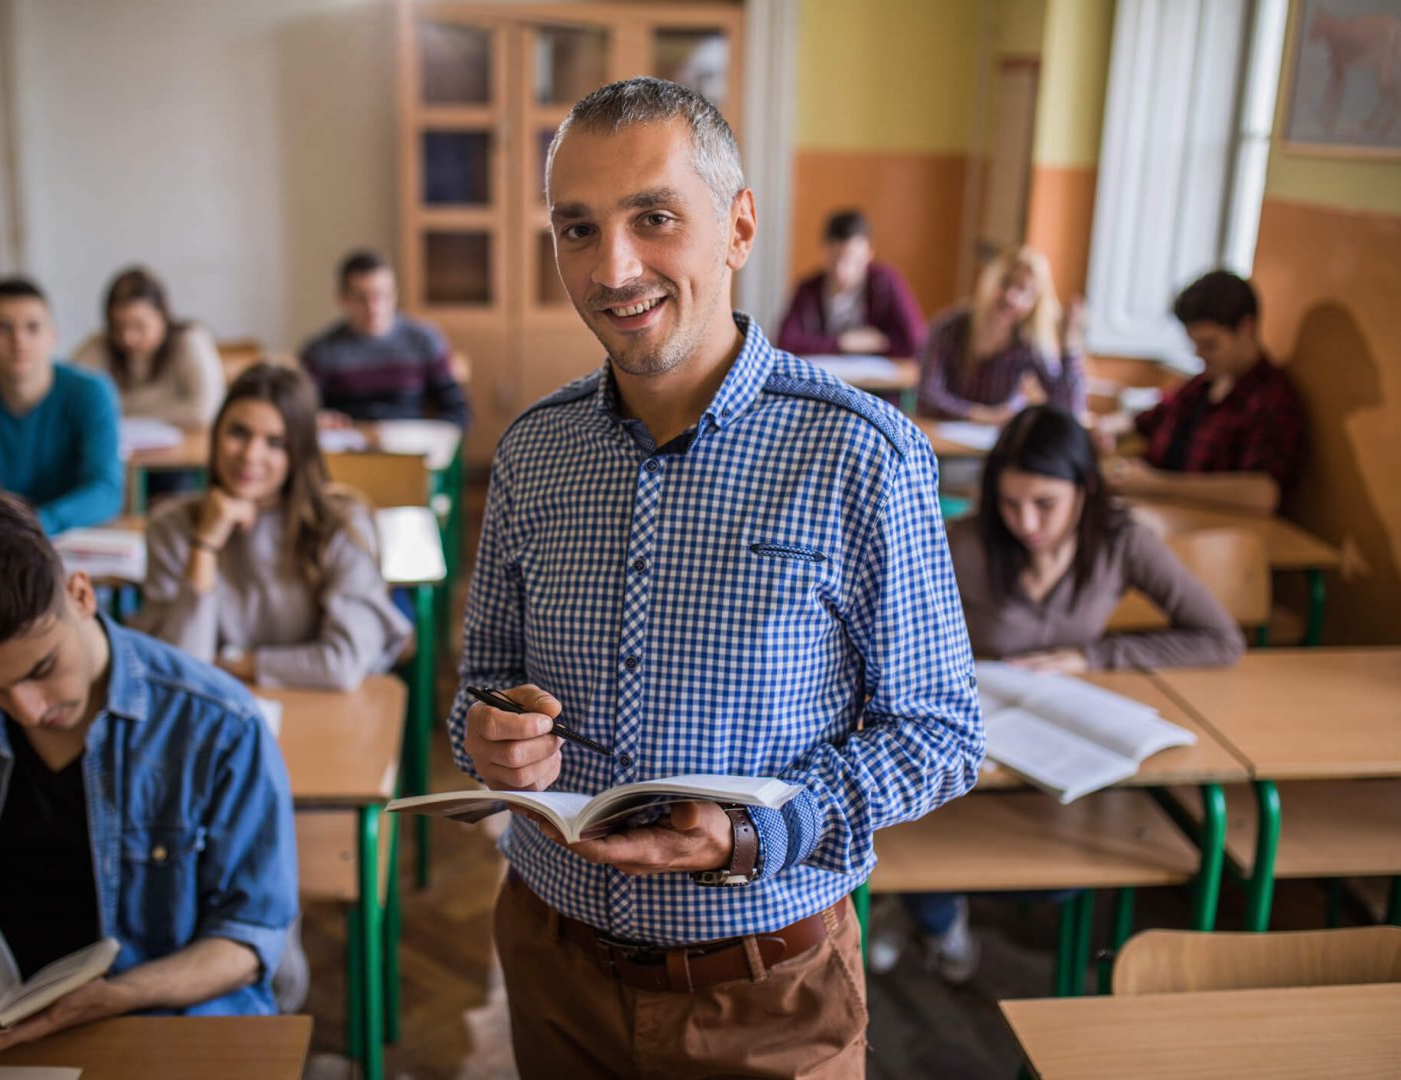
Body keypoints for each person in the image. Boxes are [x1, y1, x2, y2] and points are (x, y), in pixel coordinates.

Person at [451, 77, 982, 1076]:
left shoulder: (864, 455)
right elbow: (478, 686)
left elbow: (943, 738)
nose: (613, 268)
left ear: (738, 227)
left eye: (653, 218)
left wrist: (758, 831)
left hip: (768, 995)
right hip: (551, 967)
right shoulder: (533, 451)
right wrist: (488, 737)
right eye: (576, 229)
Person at [0, 493, 298, 1049]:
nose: (30, 710)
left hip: (158, 1021)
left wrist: (124, 994)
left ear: (80, 594)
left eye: (43, 669)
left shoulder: (218, 724)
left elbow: (250, 936)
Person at [870, 405, 1244, 983]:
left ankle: (937, 908)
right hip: (974, 733)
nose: (1026, 521)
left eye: (1045, 504)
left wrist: (1096, 656)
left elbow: (1219, 639)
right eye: (1009, 503)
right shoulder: (961, 543)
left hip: (1062, 739)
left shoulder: (1121, 541)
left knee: (1067, 869)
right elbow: (890, 640)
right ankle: (935, 916)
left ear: (1085, 489)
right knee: (927, 834)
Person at [133, 363, 410, 689]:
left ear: (299, 452)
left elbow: (342, 664)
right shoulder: (171, 526)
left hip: (320, 711)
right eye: (238, 433)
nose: (250, 455)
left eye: (275, 442)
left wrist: (231, 661)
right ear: (216, 433)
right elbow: (181, 668)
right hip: (216, 713)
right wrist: (205, 544)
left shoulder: (341, 525)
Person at [1103, 270, 1306, 514]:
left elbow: (1263, 493)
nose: (1199, 354)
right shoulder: (1202, 385)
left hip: (1212, 534)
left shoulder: (1270, 400)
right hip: (1159, 514)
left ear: (1246, 328)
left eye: (1210, 345)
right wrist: (1108, 428)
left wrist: (1158, 484)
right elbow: (1147, 418)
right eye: (1195, 345)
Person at [0, 277, 124, 535]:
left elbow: (106, 491)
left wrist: (39, 522)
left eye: (32, 327)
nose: (19, 341)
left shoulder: (91, 393)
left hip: (69, 536)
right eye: (3, 328)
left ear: (53, 336)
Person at [296, 250, 470, 428]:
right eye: (362, 298)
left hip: (410, 444)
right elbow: (299, 411)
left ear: (394, 294)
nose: (373, 308)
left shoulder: (423, 340)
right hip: (345, 446)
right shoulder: (322, 350)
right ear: (343, 298)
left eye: (381, 295)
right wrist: (318, 419)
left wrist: (430, 437)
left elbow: (457, 411)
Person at [917, 246, 1086, 423]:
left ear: (1034, 304)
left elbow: (1070, 411)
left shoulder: (1026, 344)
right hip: (941, 440)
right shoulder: (948, 327)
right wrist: (985, 416)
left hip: (992, 444)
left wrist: (1069, 345)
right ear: (989, 281)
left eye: (1023, 291)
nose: (1010, 297)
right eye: (1006, 283)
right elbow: (927, 397)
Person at [72, 266, 226, 429]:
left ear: (163, 316)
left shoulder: (189, 341)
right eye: (118, 327)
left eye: (139, 326)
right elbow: (68, 398)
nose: (128, 338)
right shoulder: (100, 346)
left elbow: (205, 411)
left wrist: (120, 410)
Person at [774, 208, 927, 358]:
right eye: (834, 259)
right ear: (824, 251)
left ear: (869, 252)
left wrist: (876, 345)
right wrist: (843, 343)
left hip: (877, 379)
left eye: (852, 260)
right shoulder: (808, 290)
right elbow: (786, 342)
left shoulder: (885, 284)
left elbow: (916, 342)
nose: (842, 270)